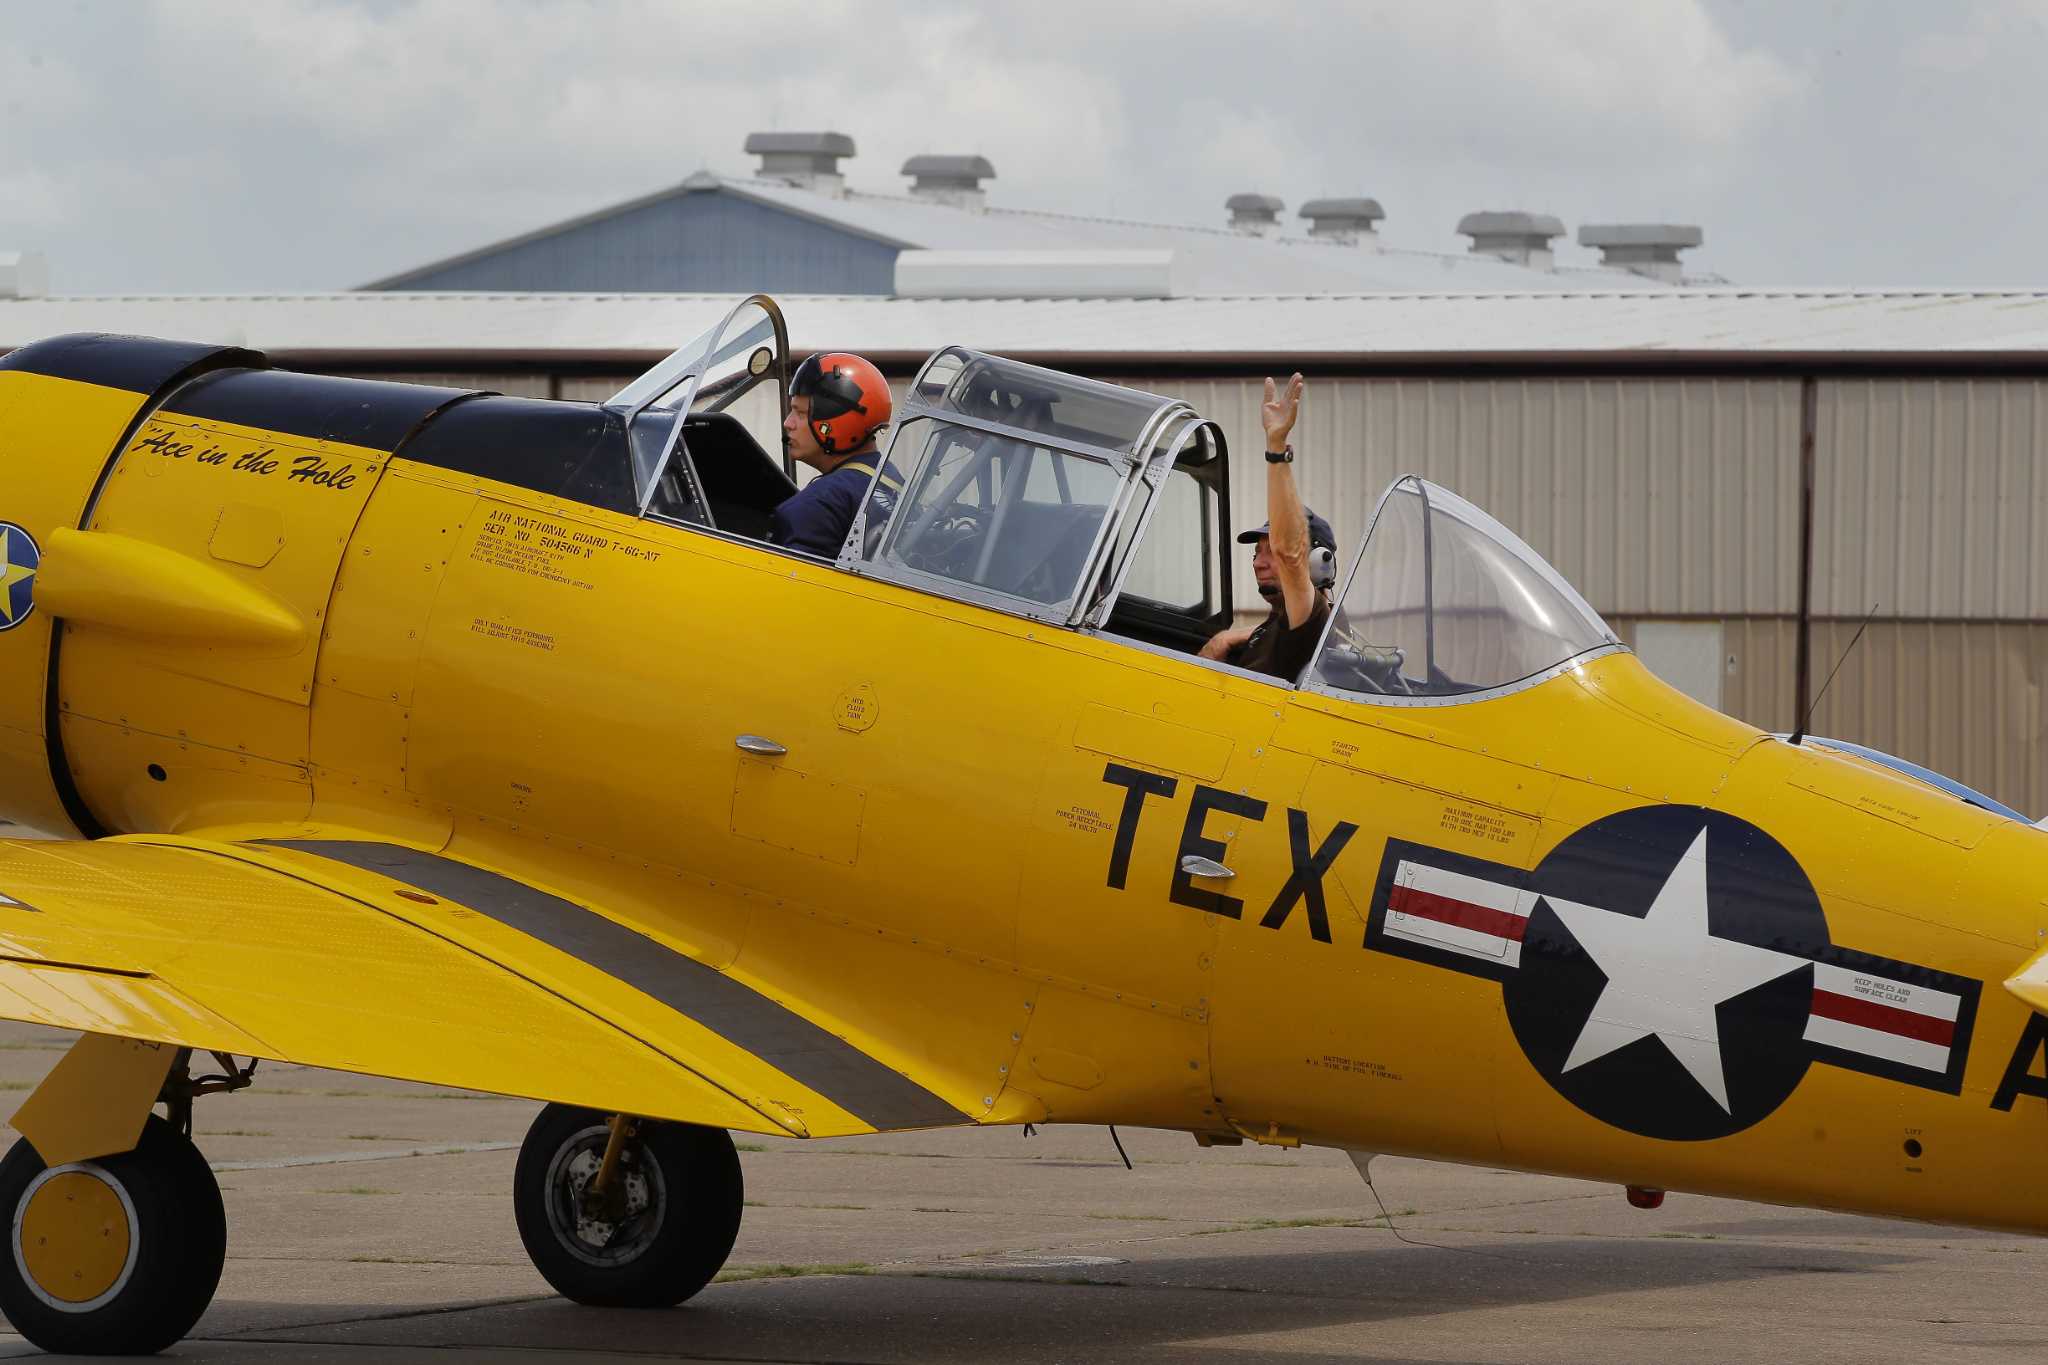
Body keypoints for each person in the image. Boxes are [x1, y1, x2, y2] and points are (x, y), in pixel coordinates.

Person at [1199, 372, 1337, 680]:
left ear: (1314, 564)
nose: (1259, 563)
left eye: (1270, 551)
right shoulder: (1278, 625)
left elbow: (1291, 553)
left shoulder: (1310, 617)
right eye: (1256, 553)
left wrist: (1277, 448)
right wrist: (1228, 637)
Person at [766, 352, 899, 557]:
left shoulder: (815, 506)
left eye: (800, 413)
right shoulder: (890, 479)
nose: (788, 423)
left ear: (836, 422)